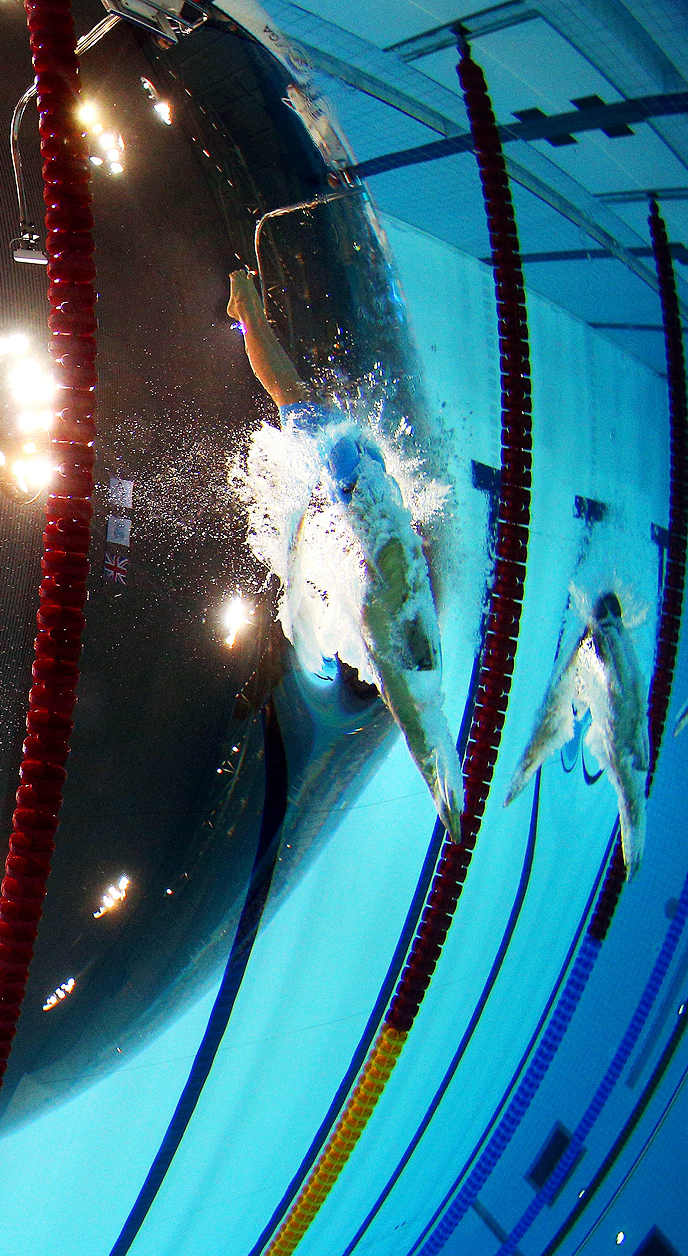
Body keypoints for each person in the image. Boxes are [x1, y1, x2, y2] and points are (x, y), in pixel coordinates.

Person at [229, 268, 463, 835]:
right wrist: (438, 782)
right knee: (281, 384)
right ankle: (244, 301)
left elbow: (421, 705)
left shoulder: (412, 606)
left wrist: (443, 780)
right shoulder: (384, 618)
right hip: (346, 469)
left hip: (365, 468)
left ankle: (250, 308)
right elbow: (413, 706)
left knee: (293, 387)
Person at [506, 588, 647, 875]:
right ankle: (518, 779)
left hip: (609, 698)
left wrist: (633, 852)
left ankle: (518, 780)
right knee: (554, 715)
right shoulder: (619, 677)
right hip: (602, 685)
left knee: (558, 717)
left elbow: (632, 796)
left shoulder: (625, 704)